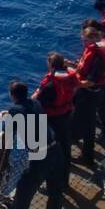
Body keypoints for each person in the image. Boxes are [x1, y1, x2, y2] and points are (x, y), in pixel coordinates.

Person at [3, 80, 63, 209]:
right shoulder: (35, 102)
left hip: (41, 156)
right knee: (55, 192)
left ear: (12, 95)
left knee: (24, 187)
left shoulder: (15, 110)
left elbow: (9, 132)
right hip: (56, 149)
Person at [69, 26, 105, 165]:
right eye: (83, 40)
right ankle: (77, 139)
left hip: (90, 95)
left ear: (95, 38)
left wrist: (72, 85)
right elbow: (84, 67)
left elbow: (91, 81)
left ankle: (87, 157)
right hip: (89, 93)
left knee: (88, 125)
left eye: (86, 41)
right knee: (83, 121)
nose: (84, 44)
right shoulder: (93, 51)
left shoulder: (98, 58)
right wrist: (72, 64)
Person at [35, 52, 78, 181]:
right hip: (67, 113)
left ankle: (53, 180)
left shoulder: (50, 84)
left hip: (53, 119)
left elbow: (39, 103)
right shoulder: (70, 76)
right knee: (65, 146)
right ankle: (65, 179)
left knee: (52, 150)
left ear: (51, 66)